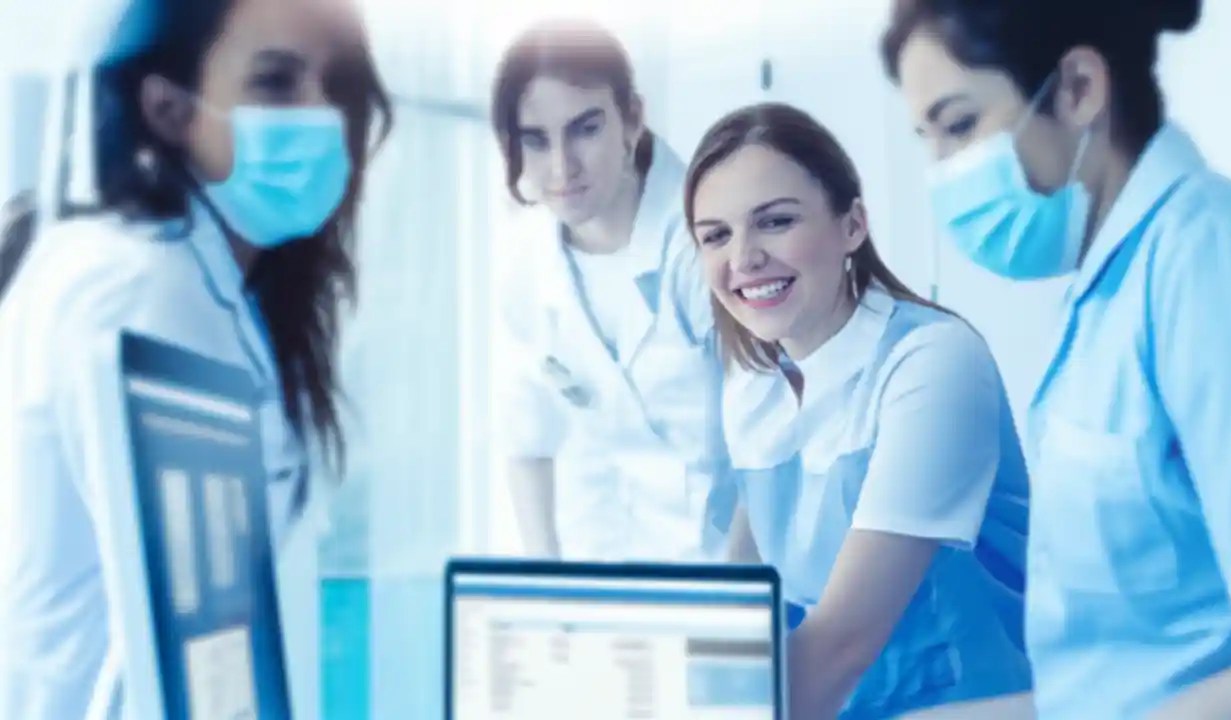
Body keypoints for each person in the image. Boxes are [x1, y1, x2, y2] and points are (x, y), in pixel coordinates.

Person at [882, 0, 1231, 717]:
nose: (942, 175)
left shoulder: (1212, 260)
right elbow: (1110, 682)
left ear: (1077, 89)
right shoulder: (1105, 292)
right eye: (927, 139)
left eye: (961, 126)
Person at [0, 0, 392, 716]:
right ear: (168, 108)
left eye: (340, 88)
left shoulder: (204, 281)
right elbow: (176, 654)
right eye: (276, 82)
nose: (322, 114)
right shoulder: (140, 285)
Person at [685, 102, 1032, 719]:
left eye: (775, 221)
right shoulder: (752, 383)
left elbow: (843, 643)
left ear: (852, 226)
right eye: (716, 235)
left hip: (972, 704)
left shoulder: (931, 361)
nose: (744, 258)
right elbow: (735, 602)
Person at [489, 19, 733, 561]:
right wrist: (547, 584)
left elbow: (772, 447)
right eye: (535, 140)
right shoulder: (526, 262)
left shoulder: (705, 240)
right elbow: (527, 442)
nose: (561, 168)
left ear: (632, 119)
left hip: (727, 569)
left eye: (585, 128)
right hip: (601, 577)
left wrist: (735, 600)